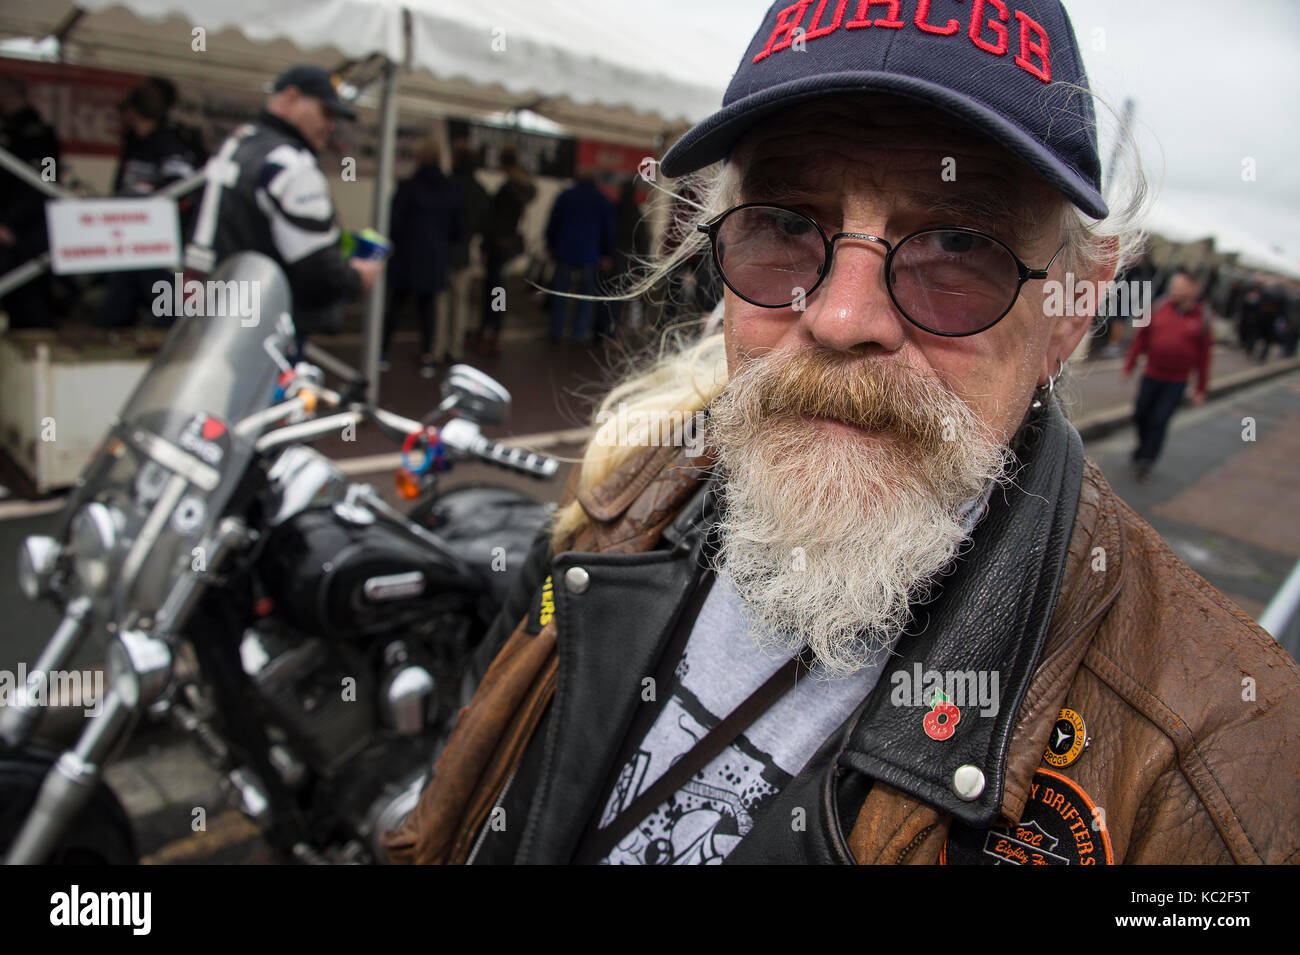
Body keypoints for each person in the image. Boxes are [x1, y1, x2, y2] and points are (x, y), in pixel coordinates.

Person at [385, 0, 1300, 866]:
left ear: (1072, 308)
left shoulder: (1207, 762)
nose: (840, 316)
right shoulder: (630, 492)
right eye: (785, 225)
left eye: (959, 246)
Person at [184, 64, 381, 342]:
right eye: (326, 112)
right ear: (290, 97)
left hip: (210, 311)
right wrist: (357, 278)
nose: (331, 125)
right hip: (260, 329)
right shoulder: (290, 163)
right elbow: (318, 270)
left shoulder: (238, 143)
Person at [95, 82, 206, 329]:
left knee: (163, 302)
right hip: (127, 235)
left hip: (157, 237)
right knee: (118, 299)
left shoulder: (168, 142)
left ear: (132, 112)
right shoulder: (134, 143)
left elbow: (182, 183)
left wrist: (151, 194)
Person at [381, 136, 464, 378]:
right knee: (428, 310)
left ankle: (383, 353)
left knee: (395, 306)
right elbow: (457, 229)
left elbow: (393, 223)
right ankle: (427, 357)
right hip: (434, 256)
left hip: (406, 255)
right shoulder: (451, 190)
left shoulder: (407, 187)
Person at [1123, 269, 1212, 481]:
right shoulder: (1159, 308)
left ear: (1193, 290)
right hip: (1151, 374)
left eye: (1180, 287)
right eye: (1174, 286)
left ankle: (1147, 458)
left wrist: (1201, 389)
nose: (1174, 290)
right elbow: (1141, 338)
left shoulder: (1203, 319)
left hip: (1176, 381)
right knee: (1140, 414)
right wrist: (1130, 364)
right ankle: (1142, 446)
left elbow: (1204, 358)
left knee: (1159, 419)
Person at [0, 74, 60, 329]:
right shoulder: (8, 128)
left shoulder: (40, 135)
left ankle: (37, 345)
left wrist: (11, 224)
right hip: (10, 222)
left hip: (26, 228)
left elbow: (44, 183)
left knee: (29, 296)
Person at [476, 146, 535, 356]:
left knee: (495, 290)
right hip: (506, 246)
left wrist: (485, 245)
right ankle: (493, 330)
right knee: (498, 290)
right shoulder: (521, 188)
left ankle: (491, 330)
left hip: (497, 247)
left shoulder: (507, 191)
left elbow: (494, 222)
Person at [545, 172, 615, 344]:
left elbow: (553, 222)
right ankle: (579, 333)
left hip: (565, 251)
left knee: (560, 294)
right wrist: (607, 254)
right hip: (589, 254)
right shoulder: (601, 200)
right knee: (585, 297)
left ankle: (557, 331)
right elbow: (608, 230)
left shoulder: (565, 196)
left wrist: (550, 245)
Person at [444, 140, 490, 364]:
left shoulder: (448, 185)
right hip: (466, 250)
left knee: (443, 302)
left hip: (446, 250)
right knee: (460, 303)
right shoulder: (480, 191)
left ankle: (438, 347)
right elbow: (484, 224)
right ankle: (455, 348)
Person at [598, 178, 651, 341]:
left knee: (605, 297)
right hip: (627, 264)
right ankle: (611, 333)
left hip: (609, 260)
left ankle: (602, 331)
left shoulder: (613, 210)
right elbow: (643, 242)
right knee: (619, 301)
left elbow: (604, 234)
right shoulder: (637, 214)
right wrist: (641, 268)